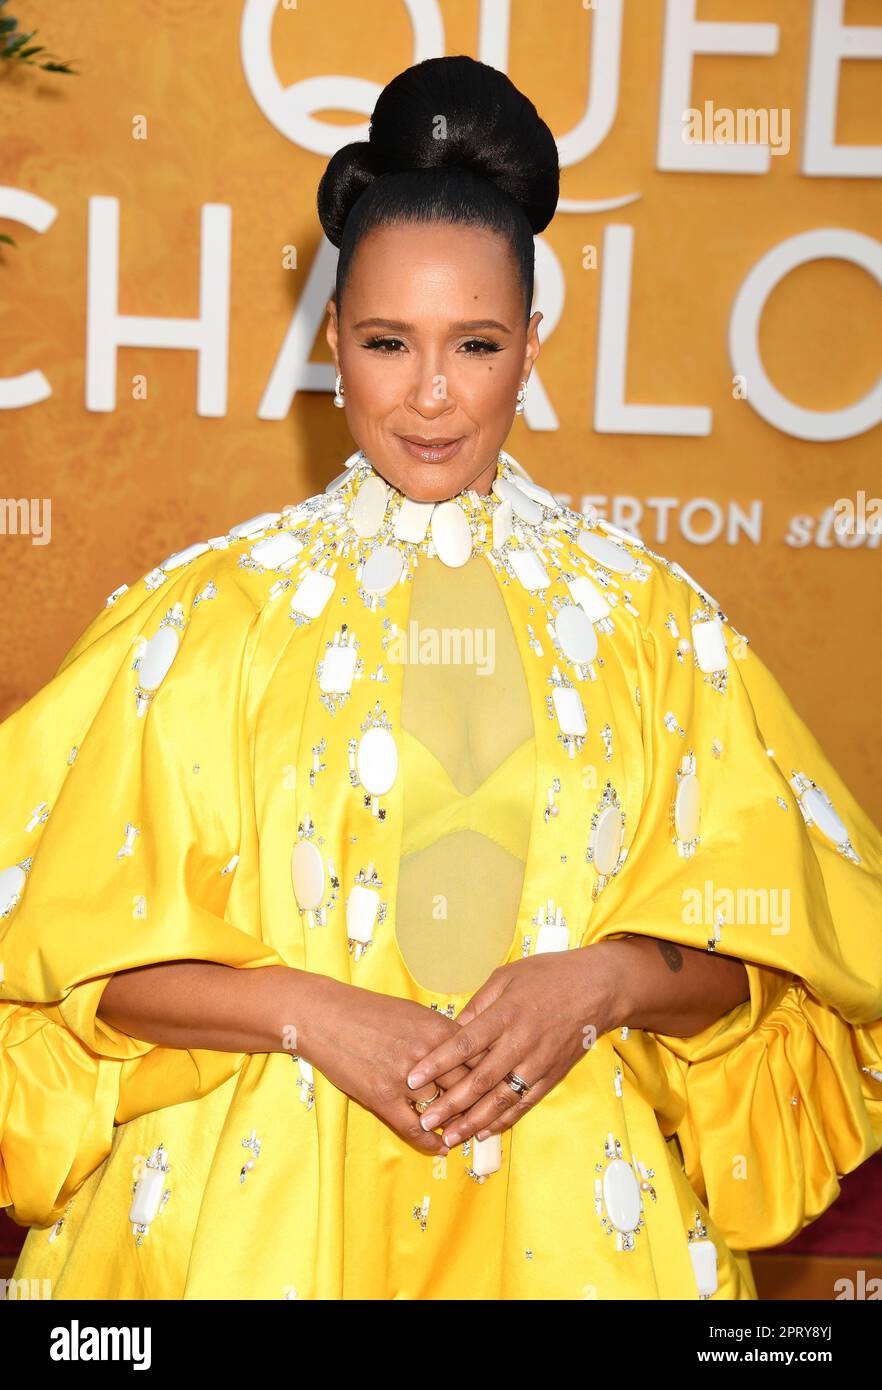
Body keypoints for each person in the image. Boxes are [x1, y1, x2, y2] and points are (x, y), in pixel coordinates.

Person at [2, 55, 881, 1302]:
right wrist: (312, 1012)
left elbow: (796, 965)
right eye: (386, 342)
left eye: (473, 343)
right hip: (256, 1226)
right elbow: (65, 965)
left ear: (532, 341)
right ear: (332, 341)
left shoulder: (653, 627)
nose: (428, 395)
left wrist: (603, 980)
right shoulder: (207, 618)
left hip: (574, 1225)